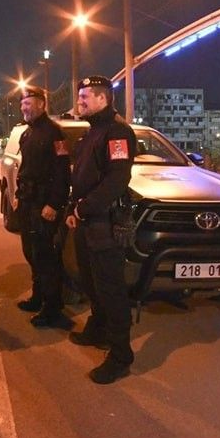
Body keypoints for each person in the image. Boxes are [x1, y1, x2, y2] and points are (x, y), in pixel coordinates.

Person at [65, 75, 138, 384]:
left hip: (105, 224)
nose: (79, 102)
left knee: (111, 289)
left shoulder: (117, 133)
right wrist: (74, 208)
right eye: (79, 96)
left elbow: (116, 180)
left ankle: (121, 355)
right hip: (87, 221)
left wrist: (84, 207)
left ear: (102, 99)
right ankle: (98, 329)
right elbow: (80, 177)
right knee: (91, 282)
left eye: (84, 97)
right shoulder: (90, 134)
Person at [13, 86, 71, 328]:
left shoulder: (54, 133)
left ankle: (53, 308)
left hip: (45, 205)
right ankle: (38, 297)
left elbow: (62, 171)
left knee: (46, 257)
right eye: (23, 104)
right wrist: (18, 195)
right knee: (31, 253)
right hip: (28, 203)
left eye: (29, 103)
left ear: (41, 104)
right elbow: (25, 169)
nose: (24, 108)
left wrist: (54, 204)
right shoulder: (27, 134)